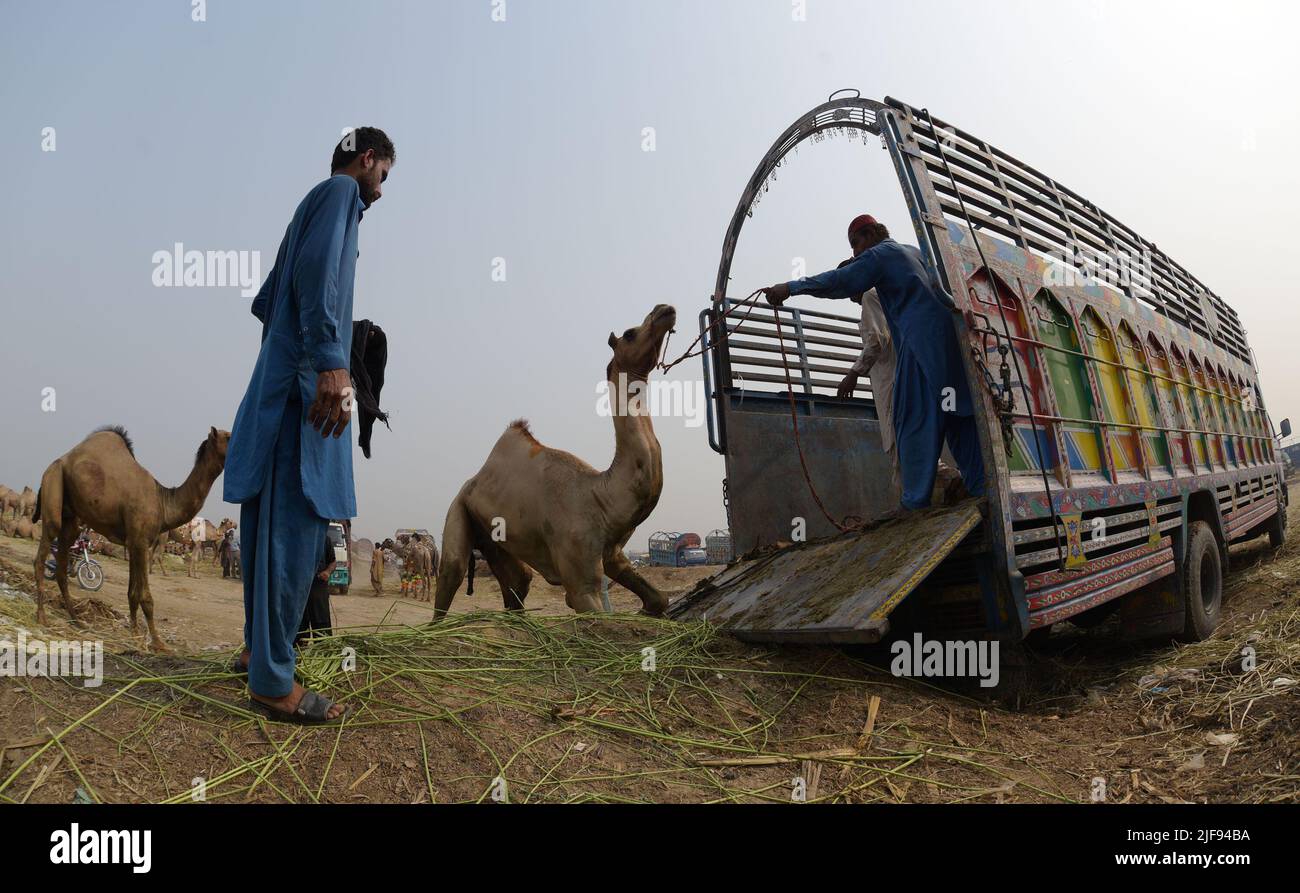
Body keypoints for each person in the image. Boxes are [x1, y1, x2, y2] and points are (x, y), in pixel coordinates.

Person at [224, 127, 395, 724]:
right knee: (294, 536)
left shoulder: (311, 205)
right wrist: (328, 359)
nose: (381, 191)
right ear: (367, 159)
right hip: (304, 397)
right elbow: (316, 273)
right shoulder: (339, 195)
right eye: (384, 175)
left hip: (280, 390)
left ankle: (257, 653)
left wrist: (290, 354)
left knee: (269, 528)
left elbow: (269, 302)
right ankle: (274, 682)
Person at [761, 215, 984, 511]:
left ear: (868, 235)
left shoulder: (881, 256)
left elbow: (838, 282)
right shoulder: (913, 253)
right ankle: (981, 488)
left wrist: (789, 287)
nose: (855, 254)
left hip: (920, 346)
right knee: (956, 417)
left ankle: (914, 502)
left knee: (912, 426)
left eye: (855, 245)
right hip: (950, 344)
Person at [296, 534, 336, 646]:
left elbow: (333, 562)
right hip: (298, 589)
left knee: (321, 623)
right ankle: (298, 650)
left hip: (318, 589)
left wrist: (327, 571)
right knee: (298, 623)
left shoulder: (325, 539)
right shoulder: (296, 537)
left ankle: (322, 649)